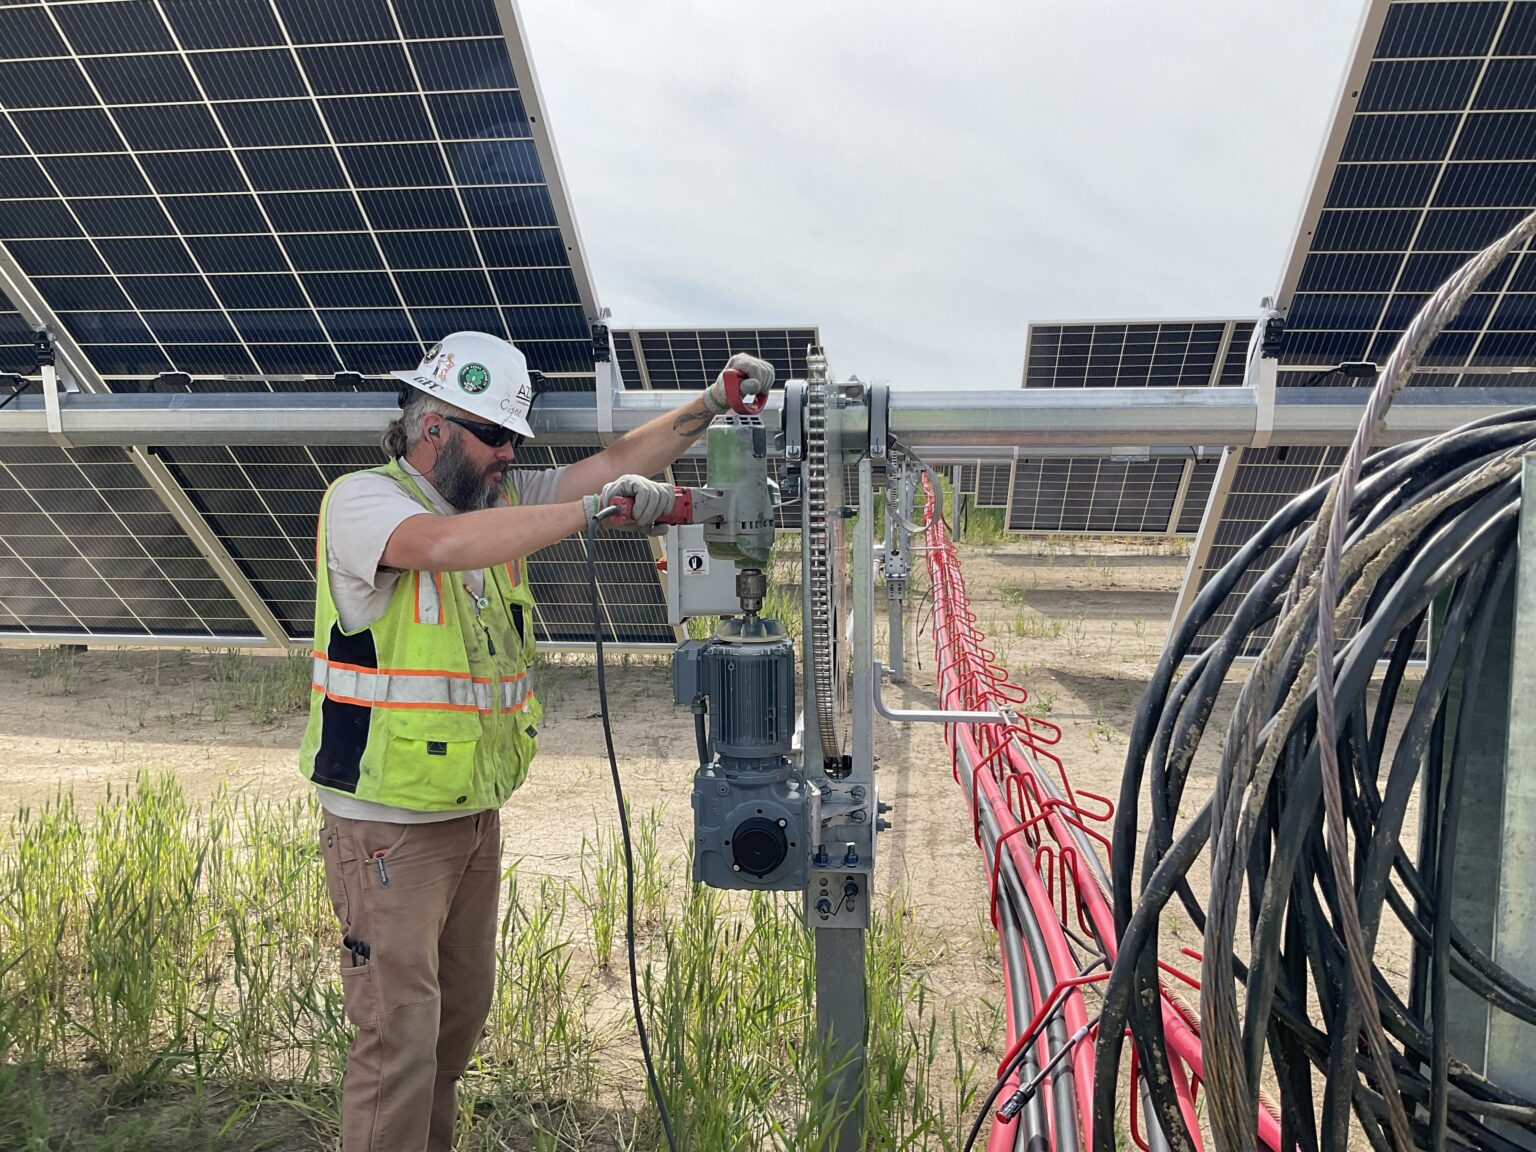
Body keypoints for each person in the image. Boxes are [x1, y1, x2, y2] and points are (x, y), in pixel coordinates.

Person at [301, 330, 774, 1151]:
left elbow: (613, 461)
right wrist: (591, 511)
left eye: (516, 439)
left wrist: (710, 405)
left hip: (470, 816)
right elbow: (440, 548)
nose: (508, 455)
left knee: (451, 1029)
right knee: (397, 1040)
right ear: (434, 427)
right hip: (386, 828)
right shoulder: (365, 501)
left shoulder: (499, 504)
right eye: (493, 436)